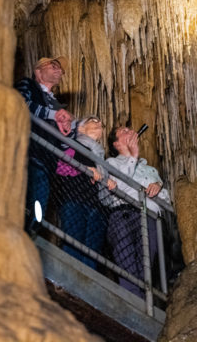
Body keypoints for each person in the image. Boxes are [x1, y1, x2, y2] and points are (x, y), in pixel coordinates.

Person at [101, 125, 170, 297]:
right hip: (124, 215)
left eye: (129, 129)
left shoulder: (150, 169)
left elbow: (167, 200)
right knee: (127, 265)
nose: (130, 131)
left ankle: (141, 304)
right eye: (124, 131)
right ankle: (132, 305)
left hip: (151, 218)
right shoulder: (111, 163)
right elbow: (120, 187)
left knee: (145, 268)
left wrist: (158, 187)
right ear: (116, 144)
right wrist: (133, 157)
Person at [15, 56, 74, 231]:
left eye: (60, 70)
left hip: (46, 163)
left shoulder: (58, 106)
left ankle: (30, 235)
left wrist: (67, 131)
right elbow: (19, 104)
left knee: (38, 210)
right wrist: (52, 115)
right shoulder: (27, 85)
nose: (59, 70)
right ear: (38, 70)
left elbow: (63, 146)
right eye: (53, 65)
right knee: (20, 200)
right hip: (25, 154)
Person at [55, 115, 116, 269]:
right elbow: (60, 166)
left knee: (92, 251)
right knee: (73, 242)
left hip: (96, 206)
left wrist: (107, 181)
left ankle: (85, 288)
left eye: (101, 123)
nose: (100, 123)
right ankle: (67, 283)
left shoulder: (101, 158)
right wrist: (85, 168)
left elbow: (100, 176)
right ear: (81, 128)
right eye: (94, 121)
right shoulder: (72, 144)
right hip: (75, 199)